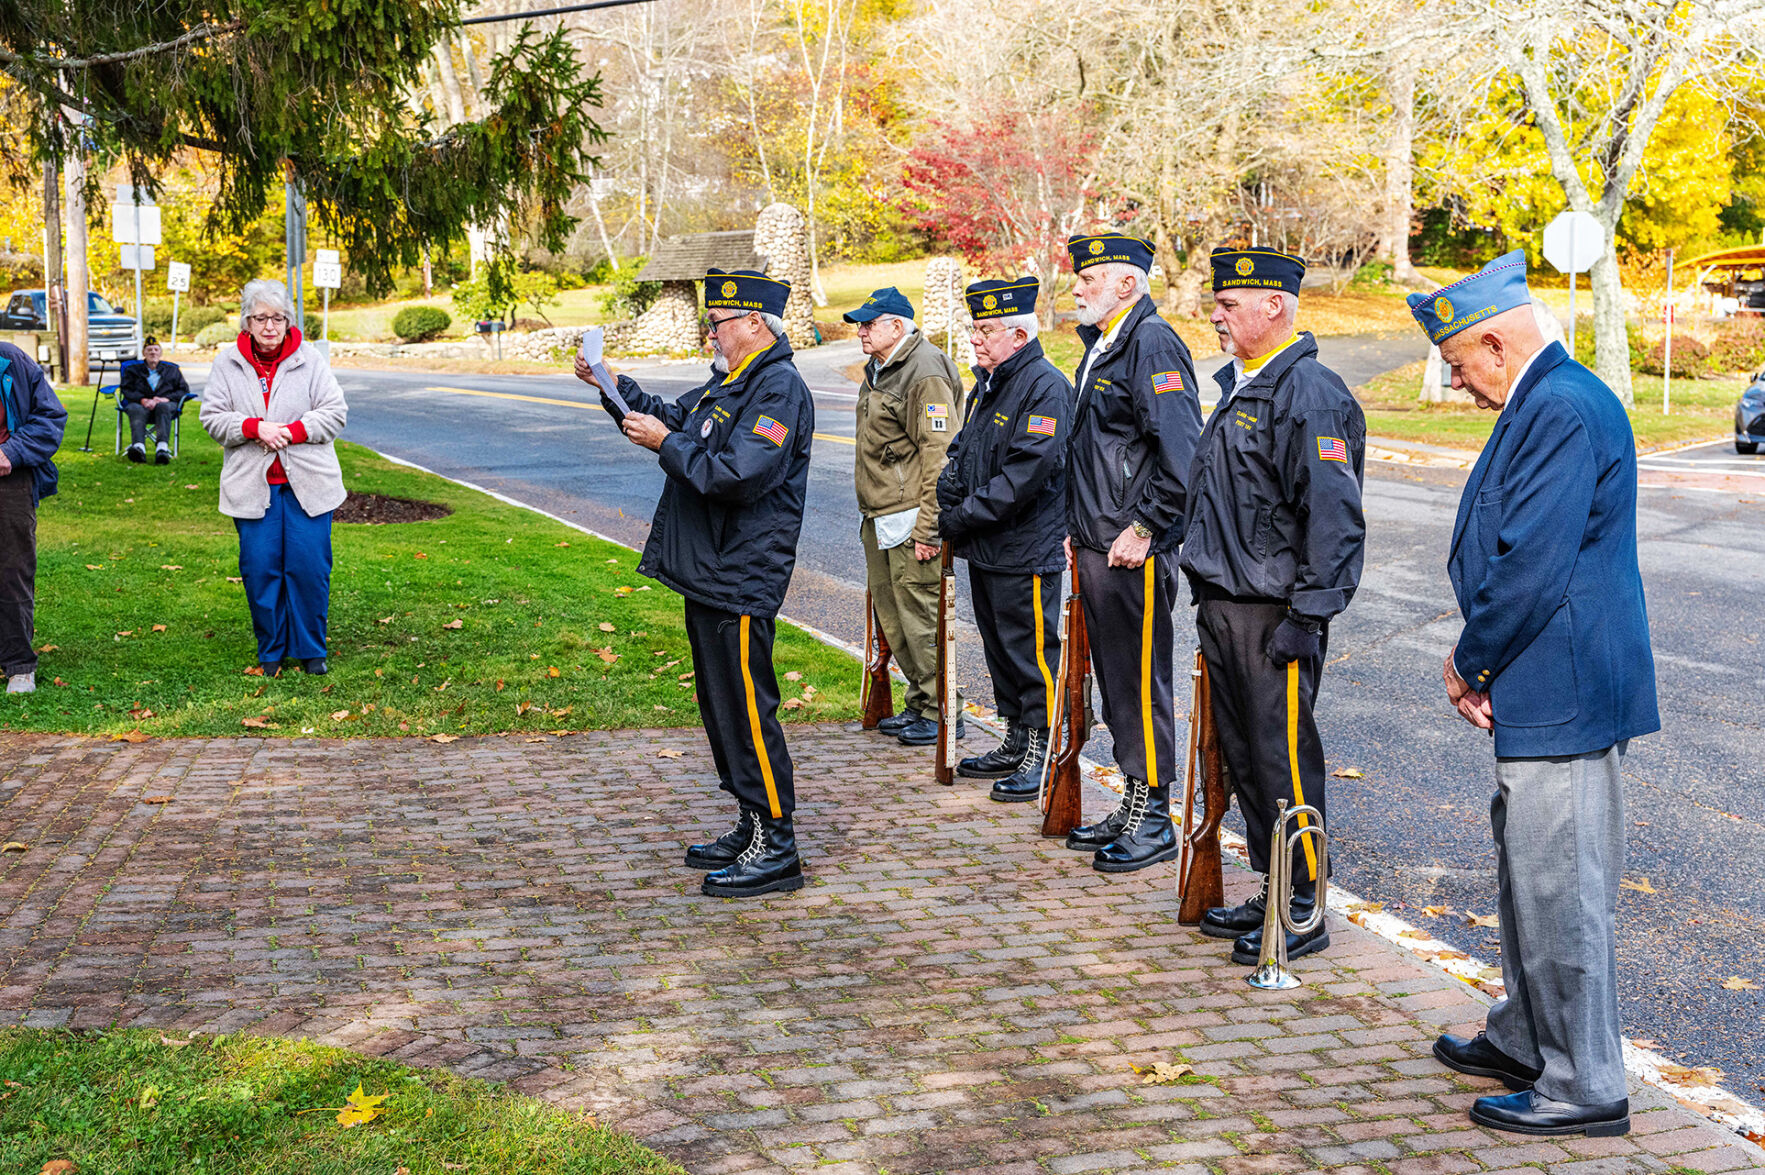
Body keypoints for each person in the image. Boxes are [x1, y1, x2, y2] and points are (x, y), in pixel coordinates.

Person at [1409, 251, 1657, 1139]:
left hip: (1563, 682)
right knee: (1526, 876)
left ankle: (1585, 1083)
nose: (1458, 379)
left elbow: (1532, 564)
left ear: (1494, 340)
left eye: (1460, 362)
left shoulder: (1556, 403)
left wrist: (1468, 663)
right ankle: (1526, 1037)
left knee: (1562, 889)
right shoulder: (1545, 395)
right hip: (1544, 679)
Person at [575, 268, 814, 899]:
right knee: (720, 706)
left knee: (748, 711)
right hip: (711, 568)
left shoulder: (777, 387)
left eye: (719, 322)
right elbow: (676, 419)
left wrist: (665, 445)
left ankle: (778, 844)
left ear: (755, 323)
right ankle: (748, 820)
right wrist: (614, 387)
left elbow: (739, 473)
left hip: (740, 570)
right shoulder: (732, 381)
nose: (711, 331)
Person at [1181, 248, 1365, 965]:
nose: (1216, 316)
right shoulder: (1245, 385)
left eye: (1229, 305)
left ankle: (1303, 902)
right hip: (1226, 604)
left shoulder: (1309, 392)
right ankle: (1274, 882)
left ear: (1273, 308)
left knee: (1283, 760)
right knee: (1246, 760)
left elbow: (1333, 516)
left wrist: (1308, 614)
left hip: (1273, 613)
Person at [1057, 233, 1203, 871]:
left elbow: (1182, 453)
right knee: (1117, 683)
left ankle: (1154, 819)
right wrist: (1076, 526)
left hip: (1130, 550)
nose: (1078, 289)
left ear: (1127, 285)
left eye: (1090, 279)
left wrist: (1146, 528)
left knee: (1141, 684)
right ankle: (1132, 800)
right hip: (1099, 541)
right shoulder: (1107, 344)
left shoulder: (1152, 342)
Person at [936, 278, 1070, 802]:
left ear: (1019, 334)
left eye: (986, 330)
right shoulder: (988, 383)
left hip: (1025, 545)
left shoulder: (1044, 385)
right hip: (989, 546)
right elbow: (965, 451)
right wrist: (949, 495)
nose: (976, 338)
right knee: (999, 648)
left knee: (1031, 652)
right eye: (974, 328)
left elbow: (1026, 472)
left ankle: (1043, 748)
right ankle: (1015, 737)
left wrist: (961, 517)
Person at [199, 280, 348, 677]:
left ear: (288, 321)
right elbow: (211, 418)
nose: (269, 326)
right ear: (247, 322)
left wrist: (294, 430)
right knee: (261, 568)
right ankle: (272, 653)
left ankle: (311, 651)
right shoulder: (228, 362)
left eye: (277, 318)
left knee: (309, 568)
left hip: (309, 486)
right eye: (261, 318)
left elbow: (335, 412)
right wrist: (253, 427)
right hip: (252, 485)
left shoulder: (310, 359)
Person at [846, 287, 964, 746]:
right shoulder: (880, 368)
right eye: (860, 323)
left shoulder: (924, 369)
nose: (860, 331)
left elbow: (940, 455)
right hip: (881, 515)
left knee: (921, 618)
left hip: (911, 515)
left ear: (897, 327)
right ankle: (920, 702)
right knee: (895, 619)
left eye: (869, 323)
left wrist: (930, 526)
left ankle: (940, 710)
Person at [0, 341, 66, 695]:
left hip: (9, 479)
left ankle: (18, 665)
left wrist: (10, 452)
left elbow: (51, 417)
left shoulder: (11, 360)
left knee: (12, 570)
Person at [119, 336, 191, 464]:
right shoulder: (132, 370)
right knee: (135, 409)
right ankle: (139, 448)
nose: (153, 352)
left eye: (156, 349)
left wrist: (165, 399)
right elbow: (126, 389)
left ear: (161, 352)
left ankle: (162, 450)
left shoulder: (172, 370)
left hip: (165, 406)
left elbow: (183, 390)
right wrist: (142, 400)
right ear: (143, 353)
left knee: (163, 407)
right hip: (139, 406)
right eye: (149, 350)